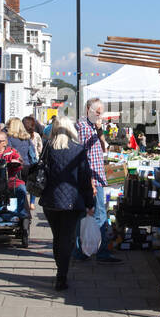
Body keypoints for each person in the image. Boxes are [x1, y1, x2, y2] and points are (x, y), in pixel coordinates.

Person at [39, 117, 95, 291]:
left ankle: (60, 269)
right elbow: (85, 179)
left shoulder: (48, 149)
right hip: (72, 201)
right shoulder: (78, 150)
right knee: (67, 238)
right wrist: (90, 202)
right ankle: (61, 274)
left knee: (58, 237)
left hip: (50, 201)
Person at [75, 98, 120, 263]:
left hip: (97, 177)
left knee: (92, 214)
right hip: (91, 178)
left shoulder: (93, 127)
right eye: (98, 111)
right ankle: (98, 252)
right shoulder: (82, 127)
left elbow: (103, 147)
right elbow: (80, 155)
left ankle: (84, 251)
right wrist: (90, 180)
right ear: (89, 109)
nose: (100, 114)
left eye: (101, 112)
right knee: (97, 214)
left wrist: (100, 130)